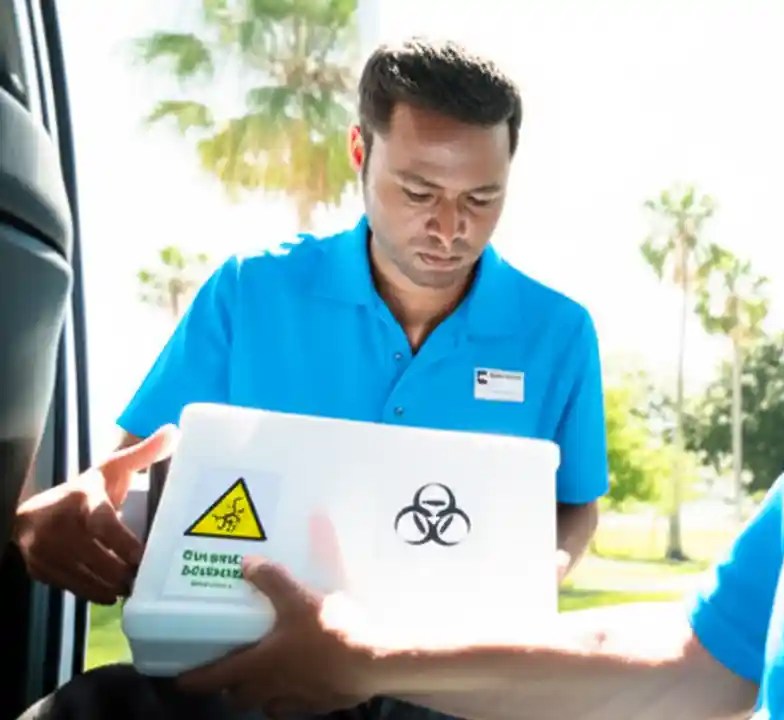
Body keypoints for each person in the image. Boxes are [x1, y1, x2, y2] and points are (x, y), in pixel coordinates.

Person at [21, 1, 784, 719]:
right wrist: (352, 659)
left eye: (480, 198)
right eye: (417, 191)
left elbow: (590, 537)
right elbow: (702, 661)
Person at [14, 37, 607, 720]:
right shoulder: (249, 291)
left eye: (482, 197)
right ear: (360, 151)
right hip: (251, 674)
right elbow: (132, 472)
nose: (450, 228)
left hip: (443, 688)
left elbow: (575, 504)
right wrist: (88, 503)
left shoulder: (559, 332)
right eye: (419, 192)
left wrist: (547, 570)